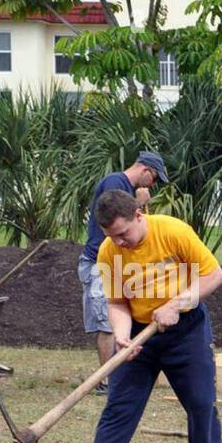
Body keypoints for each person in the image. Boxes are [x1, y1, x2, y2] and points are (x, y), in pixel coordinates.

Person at [85, 189, 222, 443]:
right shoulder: (109, 252)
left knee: (202, 405)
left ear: (139, 215)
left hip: (186, 332)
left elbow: (214, 275)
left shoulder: (173, 232)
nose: (119, 242)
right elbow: (117, 301)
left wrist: (178, 304)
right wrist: (122, 338)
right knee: (120, 407)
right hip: (139, 334)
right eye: (111, 236)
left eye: (123, 233)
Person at [78, 151, 167, 390]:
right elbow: (115, 219)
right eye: (155, 179)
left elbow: (137, 225)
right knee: (108, 320)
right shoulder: (116, 182)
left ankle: (116, 375)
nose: (153, 185)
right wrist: (139, 201)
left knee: (116, 316)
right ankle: (107, 380)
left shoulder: (124, 187)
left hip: (116, 262)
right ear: (146, 170)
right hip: (101, 261)